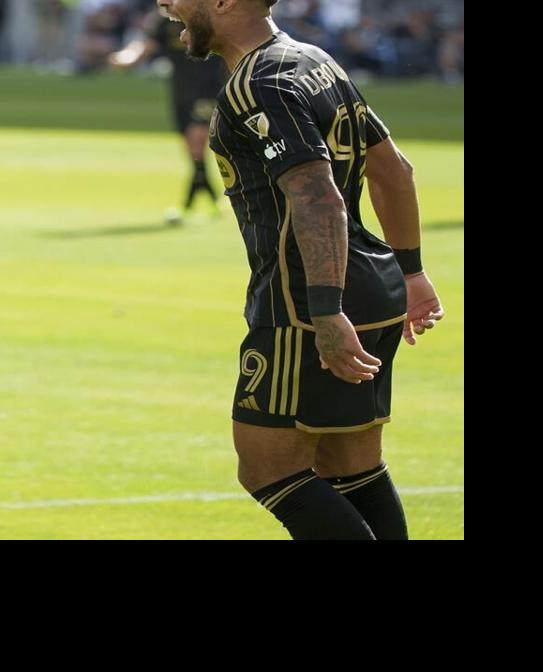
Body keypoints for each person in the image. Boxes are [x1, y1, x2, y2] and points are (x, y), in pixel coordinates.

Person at [156, 0, 443, 538]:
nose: (165, 5)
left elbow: (317, 198)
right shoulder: (313, 59)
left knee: (270, 469)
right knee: (350, 468)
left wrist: (326, 311)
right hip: (372, 283)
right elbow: (393, 169)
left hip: (305, 302)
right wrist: (412, 272)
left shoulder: (256, 85)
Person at [110, 7, 228, 223]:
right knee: (191, 146)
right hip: (180, 91)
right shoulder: (165, 20)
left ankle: (189, 202)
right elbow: (146, 45)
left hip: (209, 89)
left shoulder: (209, 14)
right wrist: (126, 59)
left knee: (197, 140)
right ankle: (207, 194)